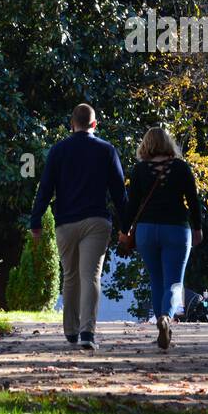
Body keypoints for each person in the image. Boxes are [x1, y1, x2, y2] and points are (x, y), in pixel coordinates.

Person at [30, 103, 127, 352]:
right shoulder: (107, 150)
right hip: (96, 221)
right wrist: (126, 226)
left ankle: (71, 331)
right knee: (91, 276)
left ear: (72, 124)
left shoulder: (58, 151)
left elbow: (45, 188)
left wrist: (36, 220)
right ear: (94, 124)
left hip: (66, 222)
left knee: (70, 276)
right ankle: (87, 332)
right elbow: (119, 193)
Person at [119, 126, 203, 351]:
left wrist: (123, 230)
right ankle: (166, 317)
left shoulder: (139, 170)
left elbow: (132, 205)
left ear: (146, 144)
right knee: (174, 282)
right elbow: (193, 201)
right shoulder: (181, 168)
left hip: (146, 230)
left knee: (156, 280)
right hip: (176, 228)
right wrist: (197, 228)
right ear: (168, 143)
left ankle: (161, 325)